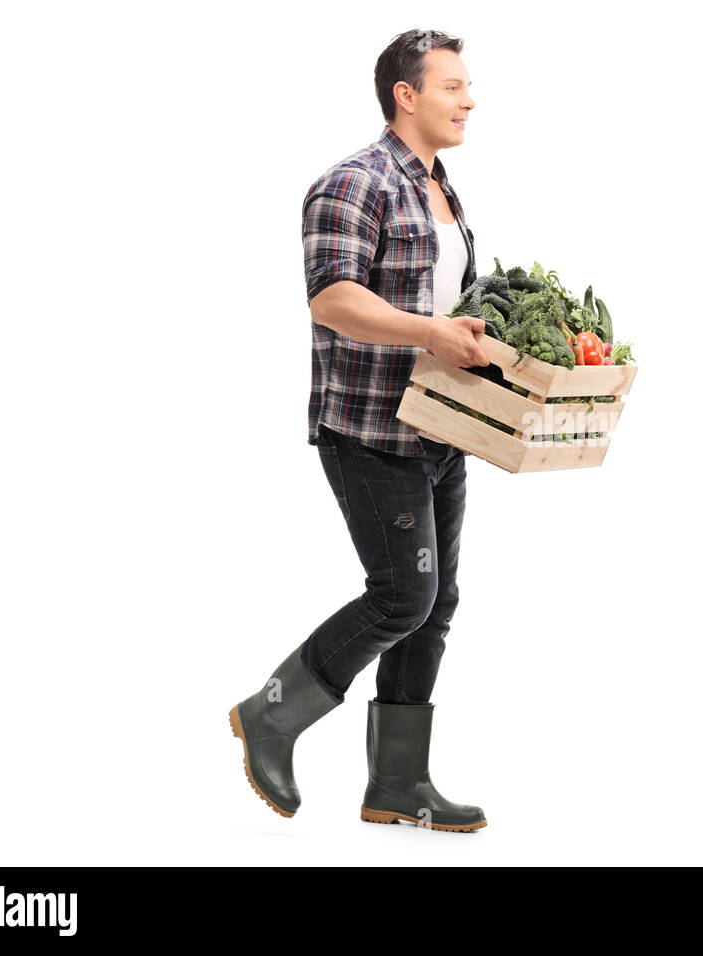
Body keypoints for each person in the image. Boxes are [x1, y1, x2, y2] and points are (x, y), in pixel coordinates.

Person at [228, 28, 489, 833]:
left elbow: (452, 313)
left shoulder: (443, 190)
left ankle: (398, 784)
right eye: (451, 86)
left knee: (436, 601)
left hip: (439, 432)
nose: (469, 99)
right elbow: (332, 300)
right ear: (405, 95)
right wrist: (428, 332)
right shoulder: (353, 183)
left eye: (467, 85)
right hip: (370, 429)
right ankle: (270, 711)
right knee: (402, 595)